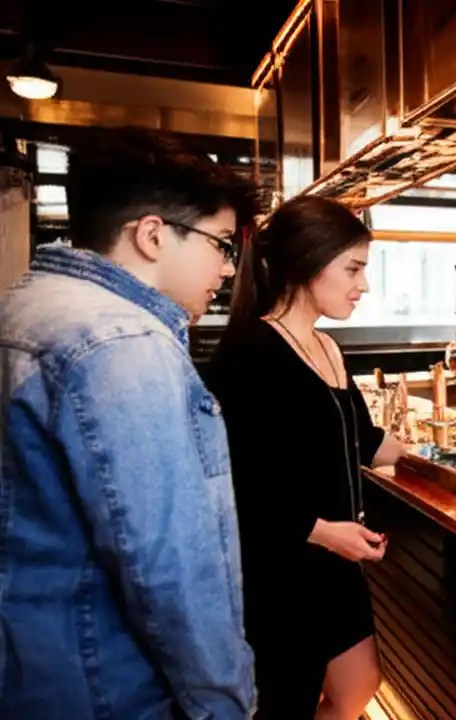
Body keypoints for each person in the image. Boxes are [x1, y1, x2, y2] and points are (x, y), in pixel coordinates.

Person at [0, 128, 257, 717]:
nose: (226, 268)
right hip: (107, 687)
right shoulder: (123, 342)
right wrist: (226, 703)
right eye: (221, 243)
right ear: (151, 234)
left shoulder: (23, 306)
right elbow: (171, 568)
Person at [205, 195, 403, 719]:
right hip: (281, 565)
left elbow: (363, 439)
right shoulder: (250, 353)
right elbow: (234, 482)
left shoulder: (328, 348)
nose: (363, 285)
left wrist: (446, 459)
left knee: (359, 686)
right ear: (307, 263)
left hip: (334, 563)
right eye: (353, 269)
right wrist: (320, 531)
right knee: (284, 700)